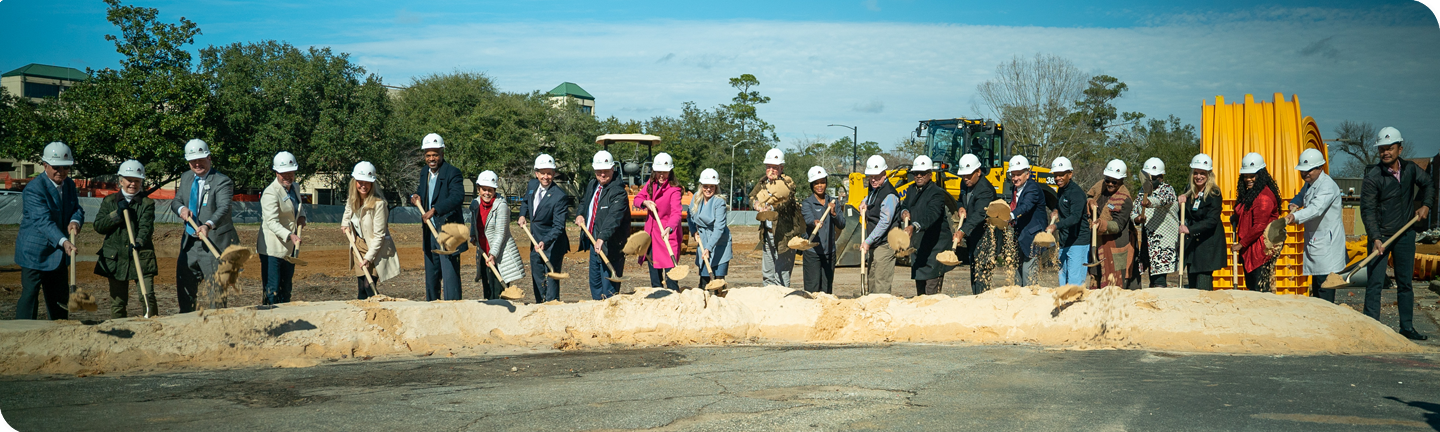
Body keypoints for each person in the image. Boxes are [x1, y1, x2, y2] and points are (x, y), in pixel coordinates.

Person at [1360, 127, 1433, 340]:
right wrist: (1375, 237)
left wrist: (1426, 205)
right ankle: (1371, 328)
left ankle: (1407, 327)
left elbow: (1429, 184)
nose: (1385, 152)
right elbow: (1368, 210)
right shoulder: (1373, 177)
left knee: (1405, 283)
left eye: (1390, 148)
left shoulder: (1410, 170)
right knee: (1374, 283)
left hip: (1405, 234)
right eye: (1382, 149)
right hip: (1381, 237)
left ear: (1399, 148)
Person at [15, 142, 85, 320]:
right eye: (56, 167)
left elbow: (76, 208)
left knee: (59, 299)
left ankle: (59, 333)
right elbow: (43, 221)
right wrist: (64, 241)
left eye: (65, 167)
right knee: (30, 295)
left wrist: (75, 221)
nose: (60, 171)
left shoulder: (68, 185)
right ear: (45, 165)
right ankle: (22, 333)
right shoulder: (34, 189)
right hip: (34, 251)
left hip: (59, 252)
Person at [171, 139, 237, 312]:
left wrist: (208, 225)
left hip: (213, 242)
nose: (197, 164)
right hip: (189, 243)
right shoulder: (186, 177)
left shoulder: (222, 181)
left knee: (216, 291)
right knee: (185, 287)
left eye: (201, 160)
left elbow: (224, 208)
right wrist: (181, 208)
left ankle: (218, 326)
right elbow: (176, 201)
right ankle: (187, 321)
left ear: (209, 158)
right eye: (193, 161)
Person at [92, 160, 157, 318]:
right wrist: (116, 215)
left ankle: (153, 329)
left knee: (147, 296)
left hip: (140, 256)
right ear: (121, 180)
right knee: (118, 302)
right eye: (129, 180)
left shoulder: (147, 203)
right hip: (116, 259)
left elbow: (146, 228)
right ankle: (119, 331)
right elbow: (99, 226)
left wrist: (139, 242)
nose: (133, 184)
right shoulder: (109, 202)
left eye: (137, 180)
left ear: (141, 181)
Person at [409, 133, 468, 301]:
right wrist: (415, 197)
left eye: (435, 154)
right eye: (428, 155)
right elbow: (422, 193)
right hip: (430, 232)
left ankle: (453, 311)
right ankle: (432, 310)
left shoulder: (453, 173)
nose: (431, 158)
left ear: (442, 153)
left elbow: (457, 197)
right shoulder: (424, 173)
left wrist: (435, 210)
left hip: (448, 231)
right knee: (432, 277)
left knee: (450, 278)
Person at [1285, 149, 1346, 302]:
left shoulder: (1327, 186)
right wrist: (1295, 202)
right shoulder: (1310, 184)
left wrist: (1295, 216)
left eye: (1309, 170)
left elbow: (1316, 209)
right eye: (1302, 171)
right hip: (1316, 240)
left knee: (1324, 286)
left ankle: (1328, 319)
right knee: (1317, 284)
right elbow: (1302, 195)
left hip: (1327, 243)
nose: (1305, 174)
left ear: (1320, 168)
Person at [576, 151, 631, 299]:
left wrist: (602, 237)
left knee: (609, 290)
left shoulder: (618, 192)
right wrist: (580, 214)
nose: (602, 174)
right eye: (599, 171)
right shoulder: (593, 185)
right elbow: (584, 203)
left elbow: (614, 218)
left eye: (605, 171)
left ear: (612, 169)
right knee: (595, 285)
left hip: (610, 245)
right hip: (594, 242)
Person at [342, 161, 400, 300]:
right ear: (355, 182)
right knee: (361, 288)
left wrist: (368, 257)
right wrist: (344, 225)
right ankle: (363, 317)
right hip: (359, 245)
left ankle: (381, 311)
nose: (363, 185)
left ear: (372, 183)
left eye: (367, 182)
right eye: (360, 182)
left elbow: (379, 235)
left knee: (369, 285)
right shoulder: (352, 199)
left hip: (376, 248)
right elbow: (347, 212)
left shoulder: (379, 204)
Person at [748, 148, 805, 287]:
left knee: (782, 276)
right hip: (768, 235)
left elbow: (786, 201)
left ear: (781, 168)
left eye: (775, 167)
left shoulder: (787, 184)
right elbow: (751, 197)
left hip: (784, 236)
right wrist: (755, 204)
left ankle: (782, 304)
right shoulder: (762, 183)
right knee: (768, 276)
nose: (771, 170)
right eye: (768, 167)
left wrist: (771, 207)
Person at [258, 151, 306, 305]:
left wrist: (302, 216)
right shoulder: (270, 193)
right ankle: (270, 319)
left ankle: (285, 316)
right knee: (272, 289)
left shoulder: (295, 188)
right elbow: (271, 221)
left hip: (289, 248)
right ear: (276, 172)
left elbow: (297, 207)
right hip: (272, 249)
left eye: (290, 173)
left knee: (286, 287)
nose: (287, 177)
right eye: (283, 173)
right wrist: (290, 235)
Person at [900, 155, 954, 296]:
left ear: (930, 175)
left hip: (935, 246)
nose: (918, 176)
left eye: (922, 173)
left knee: (931, 289)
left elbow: (931, 216)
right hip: (920, 245)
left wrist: (914, 226)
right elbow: (905, 205)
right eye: (916, 173)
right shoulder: (912, 190)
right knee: (920, 289)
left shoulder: (936, 193)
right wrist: (904, 211)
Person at [521, 154, 571, 301]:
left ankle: (551, 307)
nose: (546, 177)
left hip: (552, 244)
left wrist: (545, 241)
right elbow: (525, 202)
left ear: (554, 174)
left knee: (551, 279)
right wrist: (522, 215)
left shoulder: (559, 196)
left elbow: (558, 226)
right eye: (542, 173)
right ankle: (539, 305)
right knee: (537, 276)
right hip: (534, 240)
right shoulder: (532, 185)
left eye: (549, 173)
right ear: (536, 173)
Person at [470, 170, 524, 300]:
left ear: (495, 190)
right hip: (484, 251)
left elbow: (501, 233)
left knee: (498, 293)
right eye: (484, 189)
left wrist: (493, 254)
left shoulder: (501, 206)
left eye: (490, 190)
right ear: (479, 189)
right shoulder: (475, 204)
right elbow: (474, 223)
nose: (487, 193)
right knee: (487, 291)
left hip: (499, 254)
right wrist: (473, 235)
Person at [1232, 152, 1279, 293]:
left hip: (1260, 251)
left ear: (1261, 175)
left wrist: (1241, 244)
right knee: (1252, 287)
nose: (1248, 179)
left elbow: (1259, 226)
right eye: (1246, 176)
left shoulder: (1263, 197)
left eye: (1252, 175)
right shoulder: (1251, 193)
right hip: (1251, 249)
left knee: (1260, 289)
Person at [634, 153, 682, 290]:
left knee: (671, 272)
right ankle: (658, 296)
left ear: (670, 172)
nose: (661, 175)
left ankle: (673, 297)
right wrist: (645, 202)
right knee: (654, 272)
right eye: (658, 172)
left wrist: (670, 228)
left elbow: (676, 213)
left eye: (665, 172)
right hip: (651, 235)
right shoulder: (651, 184)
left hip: (666, 234)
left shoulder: (674, 190)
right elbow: (637, 199)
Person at [1177, 154, 1225, 290]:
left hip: (1207, 245)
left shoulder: (1214, 193)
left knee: (1203, 284)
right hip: (1193, 246)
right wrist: (1180, 203)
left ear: (1208, 174)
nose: (1198, 176)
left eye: (1202, 173)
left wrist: (1190, 230)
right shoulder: (1189, 190)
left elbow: (1212, 220)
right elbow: (1185, 214)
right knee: (1192, 284)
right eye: (1196, 173)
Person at [1132, 158, 1180, 288]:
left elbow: (1162, 200)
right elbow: (1134, 211)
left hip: (1164, 242)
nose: (1149, 182)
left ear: (1160, 178)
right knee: (1151, 277)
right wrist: (1137, 218)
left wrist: (1149, 202)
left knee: (1159, 279)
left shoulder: (1168, 190)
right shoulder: (1142, 191)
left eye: (1152, 178)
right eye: (1147, 178)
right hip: (1148, 240)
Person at [1088, 159, 1136, 289]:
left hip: (1115, 247)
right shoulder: (1100, 186)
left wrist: (1102, 224)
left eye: (1114, 181)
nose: (1109, 183)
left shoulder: (1125, 200)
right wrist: (1090, 201)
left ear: (1121, 181)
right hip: (1097, 244)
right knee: (1095, 281)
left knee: (1114, 285)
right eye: (1107, 180)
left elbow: (1118, 225)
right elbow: (1089, 195)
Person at [954, 154, 997, 294]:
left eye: (968, 175)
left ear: (978, 172)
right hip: (973, 236)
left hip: (985, 237)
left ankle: (982, 301)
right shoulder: (965, 183)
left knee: (982, 274)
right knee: (974, 271)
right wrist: (960, 207)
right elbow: (961, 199)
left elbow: (979, 214)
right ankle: (976, 299)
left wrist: (962, 231)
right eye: (963, 176)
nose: (965, 178)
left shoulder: (986, 190)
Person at [800, 166, 846, 294]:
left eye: (822, 182)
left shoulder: (833, 202)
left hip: (829, 253)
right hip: (812, 253)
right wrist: (814, 222)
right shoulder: (807, 203)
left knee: (826, 291)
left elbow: (842, 224)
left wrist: (834, 213)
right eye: (816, 183)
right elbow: (808, 218)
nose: (820, 185)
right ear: (812, 185)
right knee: (812, 291)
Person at [858, 155, 899, 295]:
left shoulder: (890, 195)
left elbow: (884, 222)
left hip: (884, 243)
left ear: (884, 174)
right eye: (870, 177)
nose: (873, 180)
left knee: (881, 283)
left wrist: (868, 241)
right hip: (875, 242)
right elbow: (871, 198)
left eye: (876, 176)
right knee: (872, 279)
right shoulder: (875, 189)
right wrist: (864, 202)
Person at [1005, 155, 1047, 287]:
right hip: (1020, 237)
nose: (1015, 178)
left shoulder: (1032, 188)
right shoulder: (1015, 188)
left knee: (1029, 277)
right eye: (1013, 175)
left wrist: (1011, 215)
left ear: (1027, 174)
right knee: (1016, 278)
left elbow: (1026, 206)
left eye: (1018, 174)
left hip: (1032, 238)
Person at [1049, 157, 1089, 287]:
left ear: (1070, 174)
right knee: (1063, 280)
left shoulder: (1076, 193)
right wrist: (1056, 210)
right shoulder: (1061, 190)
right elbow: (1060, 205)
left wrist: (1056, 225)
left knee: (1074, 283)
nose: (1057, 178)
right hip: (1065, 241)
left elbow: (1075, 217)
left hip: (1078, 242)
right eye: (1056, 175)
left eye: (1061, 175)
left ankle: (1075, 306)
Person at [690, 168, 732, 288]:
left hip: (719, 243)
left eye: (712, 186)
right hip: (703, 241)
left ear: (716, 187)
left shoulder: (719, 202)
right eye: (706, 186)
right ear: (701, 186)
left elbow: (719, 228)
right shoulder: (696, 198)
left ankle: (720, 301)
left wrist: (709, 248)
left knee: (718, 280)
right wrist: (694, 232)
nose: (708, 189)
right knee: (704, 280)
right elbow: (690, 216)